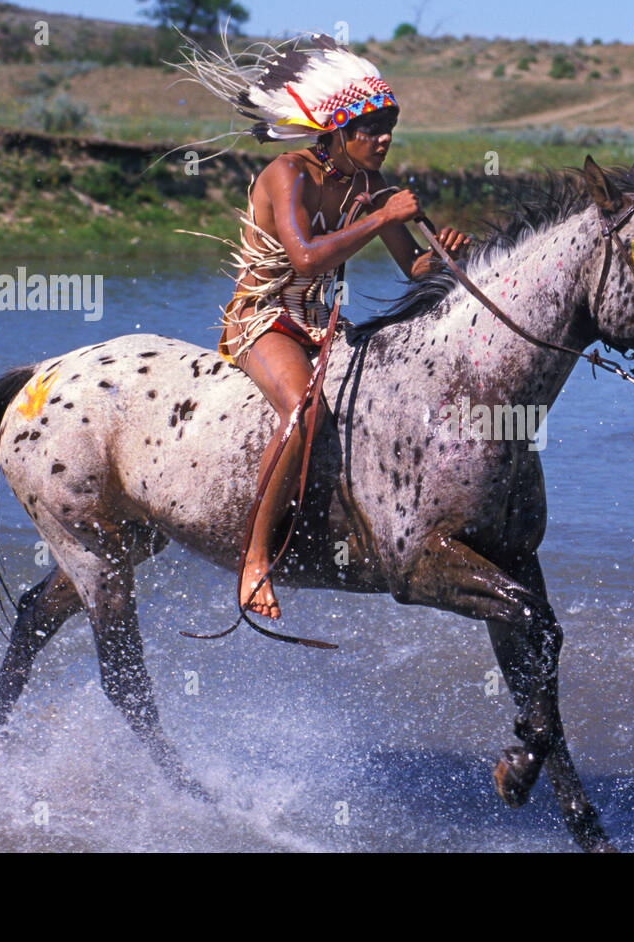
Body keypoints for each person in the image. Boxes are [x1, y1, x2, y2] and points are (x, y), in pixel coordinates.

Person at [176, 32, 472, 618]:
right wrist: (384, 213)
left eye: (389, 128)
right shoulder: (289, 173)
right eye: (371, 129)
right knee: (304, 411)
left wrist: (439, 254)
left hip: (318, 325)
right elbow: (308, 256)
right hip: (262, 319)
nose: (384, 139)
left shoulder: (368, 187)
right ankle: (255, 559)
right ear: (336, 130)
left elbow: (410, 266)